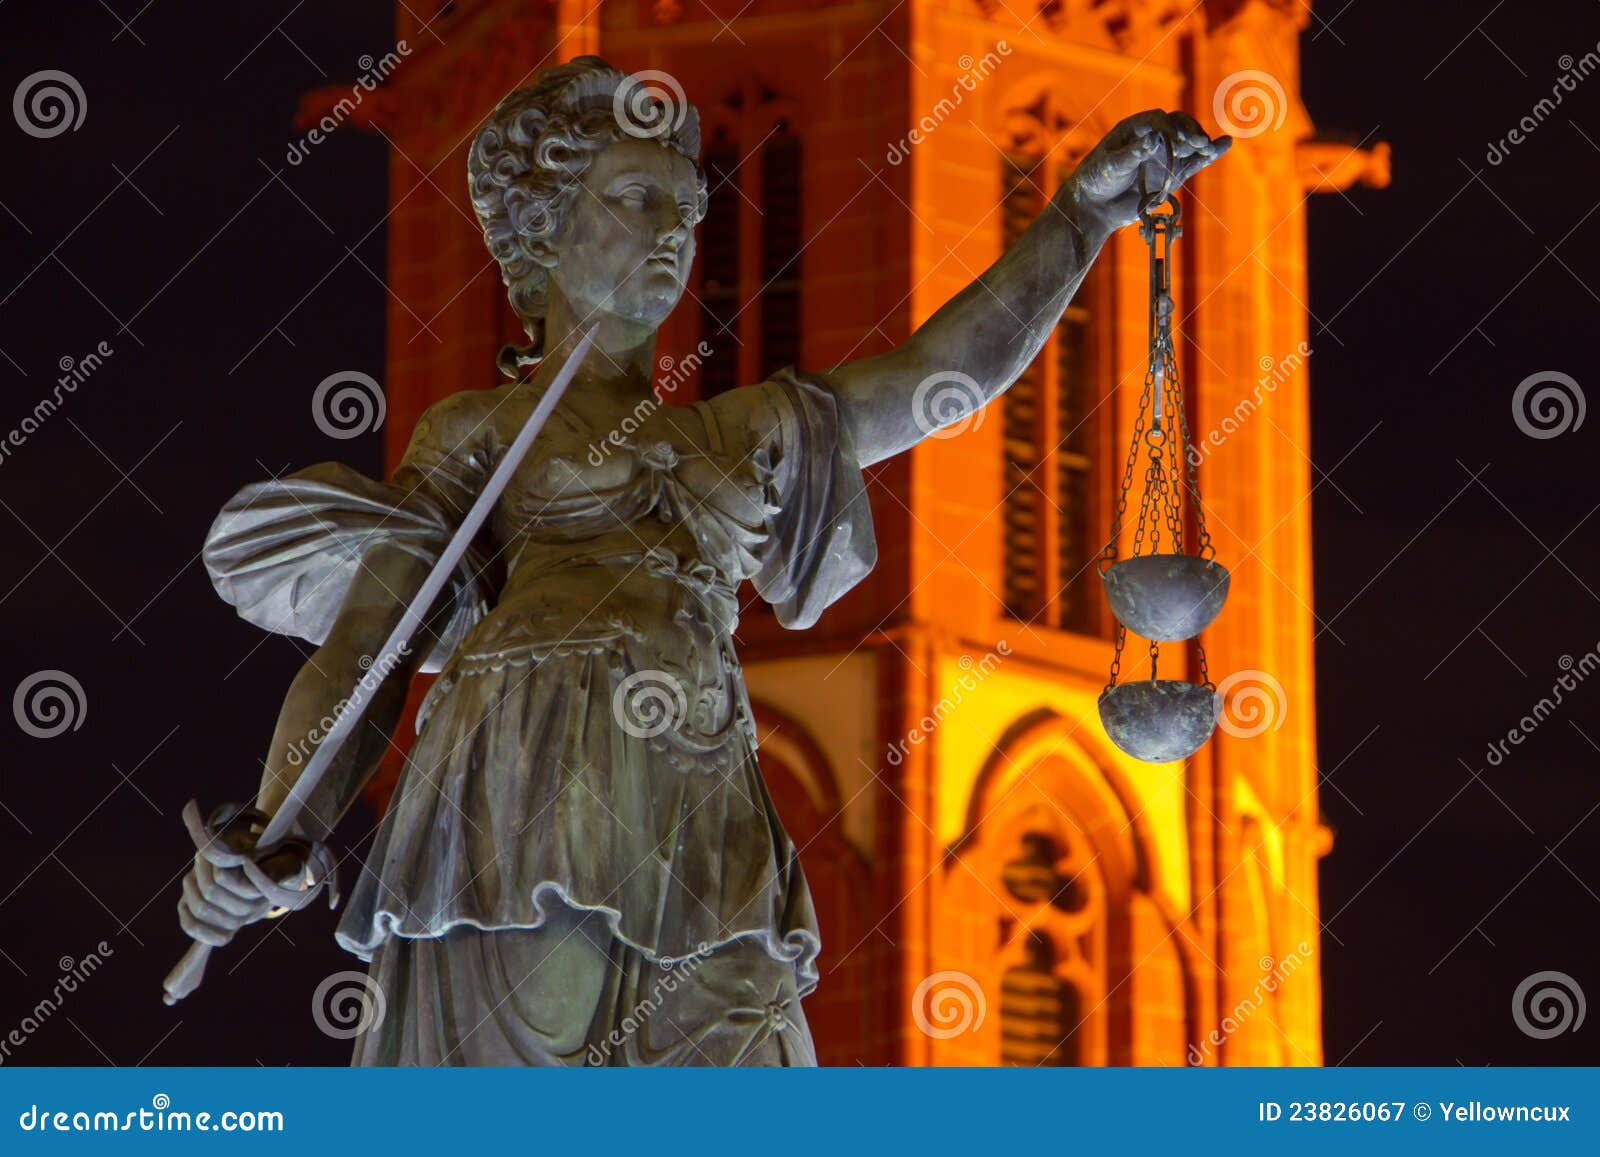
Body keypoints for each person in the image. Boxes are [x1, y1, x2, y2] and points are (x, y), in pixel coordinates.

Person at [175, 55, 1229, 1066]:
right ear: (543, 229)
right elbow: (368, 655)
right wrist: (276, 837)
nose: (674, 230)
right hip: (527, 769)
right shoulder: (478, 431)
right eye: (638, 200)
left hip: (698, 778)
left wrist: (1081, 215)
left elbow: (940, 375)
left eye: (686, 208)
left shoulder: (736, 432)